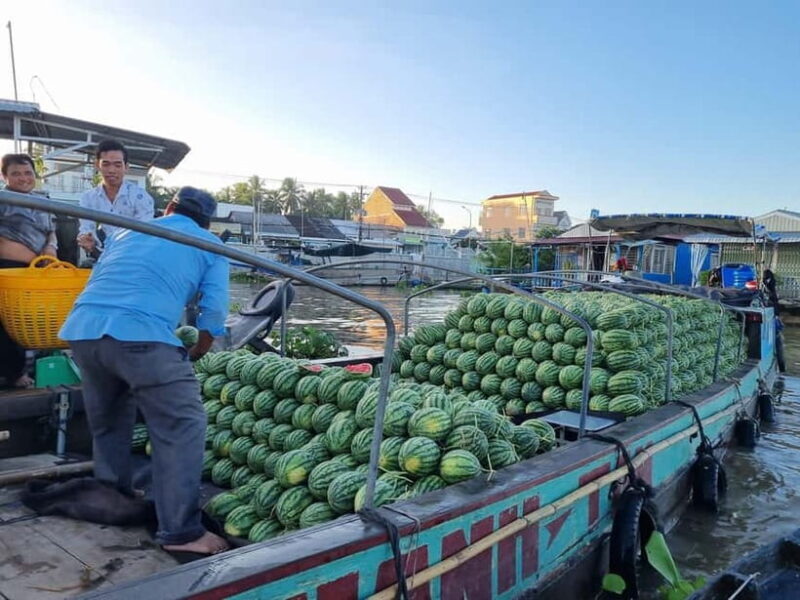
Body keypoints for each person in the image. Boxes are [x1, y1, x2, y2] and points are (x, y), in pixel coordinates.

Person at [60, 186, 230, 556]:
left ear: (168, 208)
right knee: (182, 426)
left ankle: (112, 493)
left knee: (109, 419)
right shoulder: (211, 245)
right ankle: (182, 533)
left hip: (83, 331)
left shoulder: (127, 230)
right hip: (141, 336)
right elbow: (213, 311)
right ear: (206, 221)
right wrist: (200, 347)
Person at [0, 153, 58, 388]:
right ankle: (13, 374)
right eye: (16, 173)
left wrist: (51, 249)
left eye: (28, 173)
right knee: (5, 323)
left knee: (30, 322)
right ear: (4, 176)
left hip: (36, 272)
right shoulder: (3, 200)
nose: (23, 178)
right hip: (8, 270)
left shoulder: (43, 201)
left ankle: (30, 369)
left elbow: (51, 231)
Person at [77, 139, 154, 255]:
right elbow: (86, 227)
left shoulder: (141, 197)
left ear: (126, 167)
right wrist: (87, 239)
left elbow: (144, 235)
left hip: (136, 256)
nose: (111, 170)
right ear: (97, 165)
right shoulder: (88, 198)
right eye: (106, 164)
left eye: (117, 165)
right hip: (104, 255)